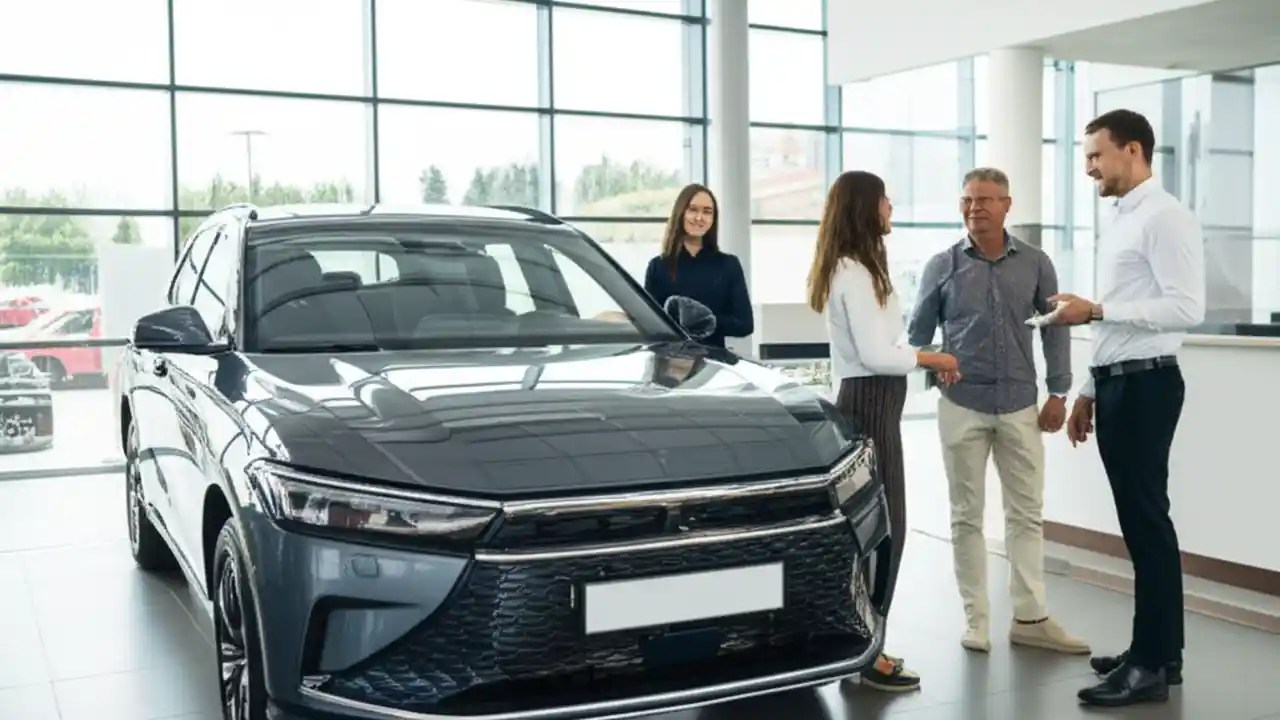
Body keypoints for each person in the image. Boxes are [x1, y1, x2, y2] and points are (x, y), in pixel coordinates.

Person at [1046, 109, 1206, 708]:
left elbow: (1186, 308)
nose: (1088, 168)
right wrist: (1088, 388)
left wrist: (1096, 313)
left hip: (1147, 386)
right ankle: (1161, 652)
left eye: (1095, 156)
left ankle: (1149, 666)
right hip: (1118, 383)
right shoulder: (1121, 220)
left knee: (1147, 526)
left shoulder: (1165, 218)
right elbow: (1115, 309)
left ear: (1132, 151)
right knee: (1142, 526)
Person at [907, 167, 1091, 657]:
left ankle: (1030, 617)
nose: (975, 208)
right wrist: (935, 366)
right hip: (960, 407)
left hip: (1019, 406)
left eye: (986, 200)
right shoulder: (940, 265)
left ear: (1008, 205)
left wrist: (1058, 393)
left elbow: (1055, 329)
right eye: (968, 200)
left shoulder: (1035, 263)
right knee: (966, 516)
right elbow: (916, 337)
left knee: (1026, 514)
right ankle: (976, 621)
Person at [806, 170, 961, 693]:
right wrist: (930, 356)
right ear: (865, 207)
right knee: (882, 534)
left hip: (873, 406)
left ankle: (864, 646)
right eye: (885, 200)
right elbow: (876, 355)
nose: (891, 206)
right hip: (869, 406)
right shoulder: (855, 272)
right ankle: (867, 653)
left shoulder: (856, 266)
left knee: (878, 531)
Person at [643, 184, 753, 349]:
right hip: (670, 362)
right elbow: (649, 325)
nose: (699, 217)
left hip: (714, 362)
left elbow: (745, 325)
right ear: (681, 213)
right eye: (693, 210)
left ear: (713, 219)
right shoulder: (658, 267)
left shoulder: (728, 265)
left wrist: (708, 321)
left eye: (707, 212)